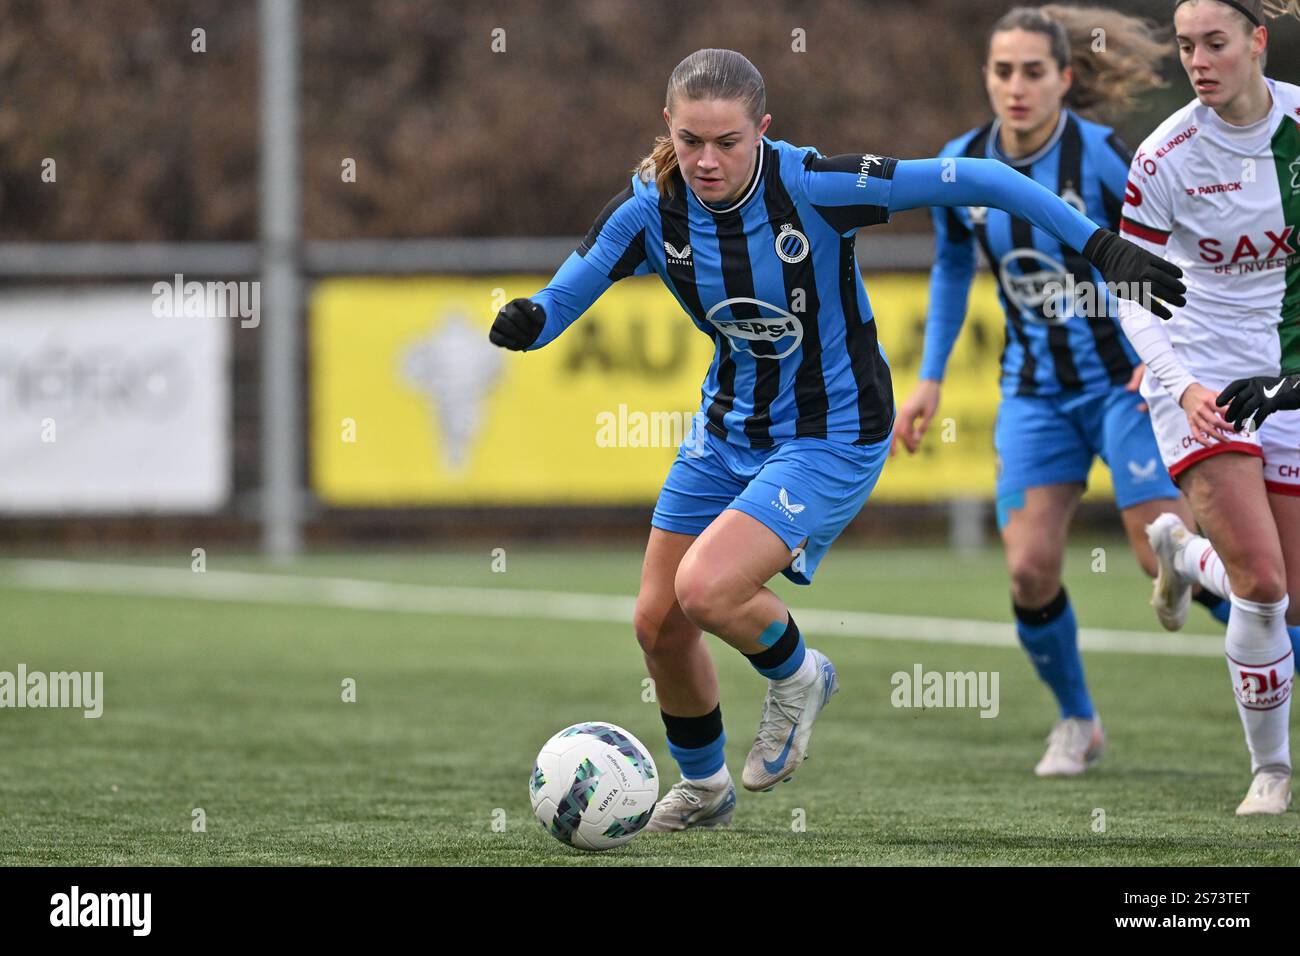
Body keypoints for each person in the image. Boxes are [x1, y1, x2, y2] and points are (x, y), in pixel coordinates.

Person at [489, 48, 1183, 832]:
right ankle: (706, 789)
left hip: (834, 432)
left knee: (708, 589)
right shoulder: (651, 206)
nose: (707, 160)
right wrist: (530, 322)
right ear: (667, 129)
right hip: (726, 431)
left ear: (764, 131)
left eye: (727, 142)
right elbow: (567, 290)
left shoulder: (817, 186)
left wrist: (1101, 248)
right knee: (657, 620)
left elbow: (983, 180)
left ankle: (800, 676)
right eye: (690, 141)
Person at [892, 5, 1207, 778]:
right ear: (988, 78)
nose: (1017, 86)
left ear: (1066, 78)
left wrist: (1169, 353)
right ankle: (1078, 722)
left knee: (1161, 554)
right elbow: (952, 267)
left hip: (1122, 383)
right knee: (1029, 569)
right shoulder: (960, 163)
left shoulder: (1100, 157)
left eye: (1034, 71)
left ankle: (1277, 660)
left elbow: (1178, 249)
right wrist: (929, 377)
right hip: (1035, 393)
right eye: (1003, 71)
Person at [1115, 0, 1300, 815]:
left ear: (1257, 42)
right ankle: (1273, 771)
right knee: (1261, 584)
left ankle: (1184, 558)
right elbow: (1125, 291)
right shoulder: (1166, 157)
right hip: (1200, 373)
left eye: (1216, 43)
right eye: (1187, 46)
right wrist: (1178, 382)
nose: (1199, 60)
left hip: (1286, 373)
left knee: (1287, 590)